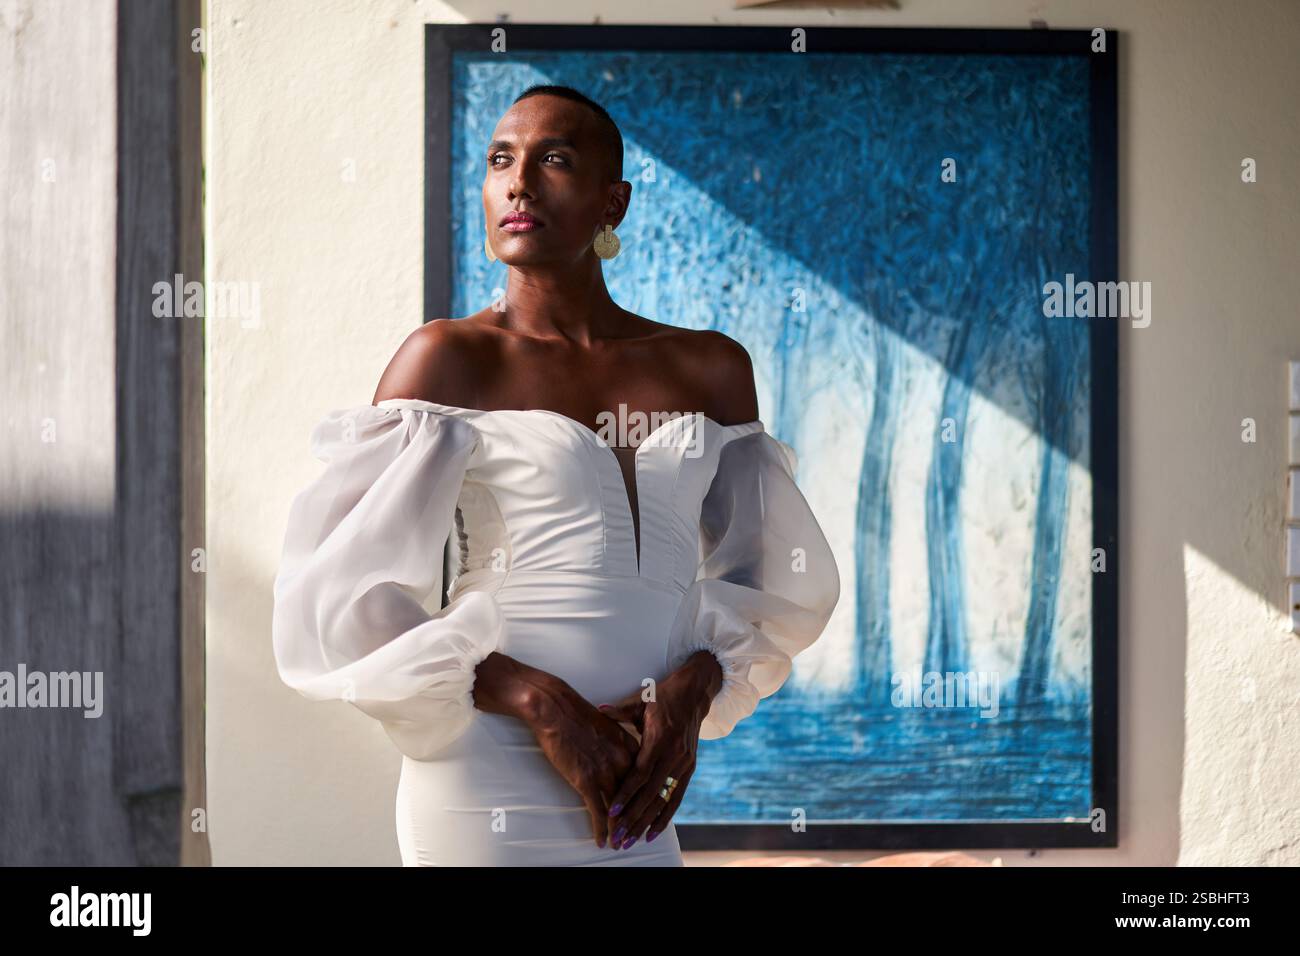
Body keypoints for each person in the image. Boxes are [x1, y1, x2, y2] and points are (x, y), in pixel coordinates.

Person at [271, 85, 840, 866]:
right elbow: (343, 598)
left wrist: (696, 684)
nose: (520, 182)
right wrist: (538, 703)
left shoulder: (708, 368)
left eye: (556, 160)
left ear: (615, 202)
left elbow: (773, 579)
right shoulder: (449, 360)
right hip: (486, 773)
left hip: (644, 775)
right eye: (502, 159)